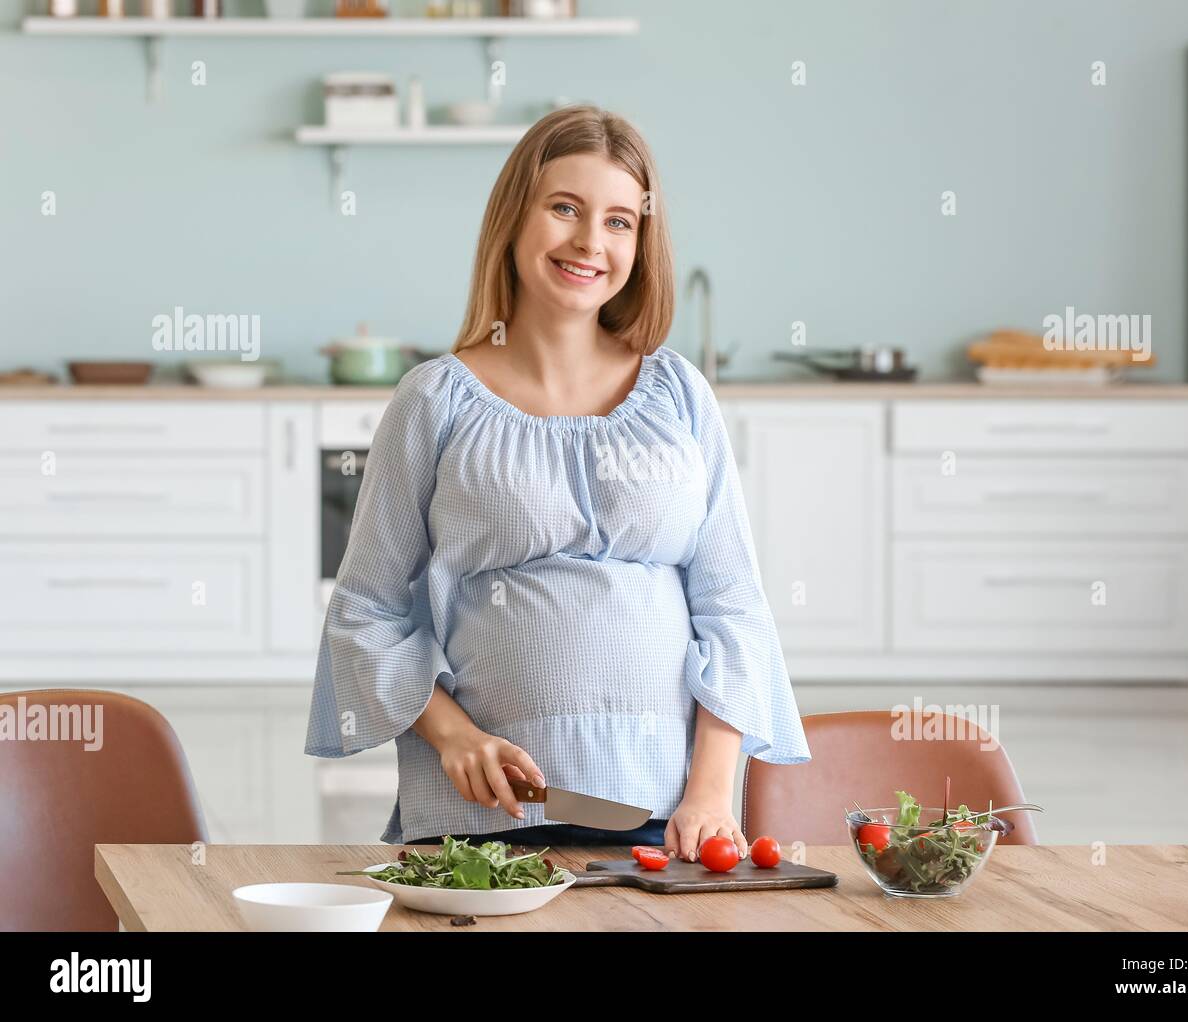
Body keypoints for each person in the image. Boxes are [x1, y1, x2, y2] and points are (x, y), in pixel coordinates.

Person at [305, 105, 811, 862]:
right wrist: (455, 736)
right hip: (482, 816)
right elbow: (364, 611)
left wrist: (708, 792)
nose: (589, 242)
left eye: (618, 222)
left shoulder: (679, 395)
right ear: (514, 218)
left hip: (657, 815)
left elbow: (733, 608)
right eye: (564, 209)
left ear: (641, 245)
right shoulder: (434, 399)